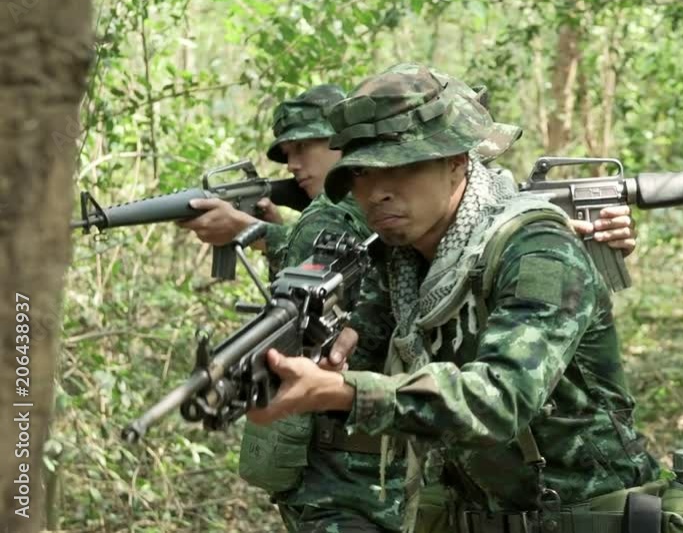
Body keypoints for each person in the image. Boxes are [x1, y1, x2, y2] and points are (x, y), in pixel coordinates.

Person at [177, 78, 641, 533]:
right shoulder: (404, 261)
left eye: (401, 167)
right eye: (361, 172)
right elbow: (362, 343)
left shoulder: (535, 250)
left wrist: (345, 392)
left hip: (590, 514)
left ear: (457, 162)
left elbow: (502, 398)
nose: (377, 191)